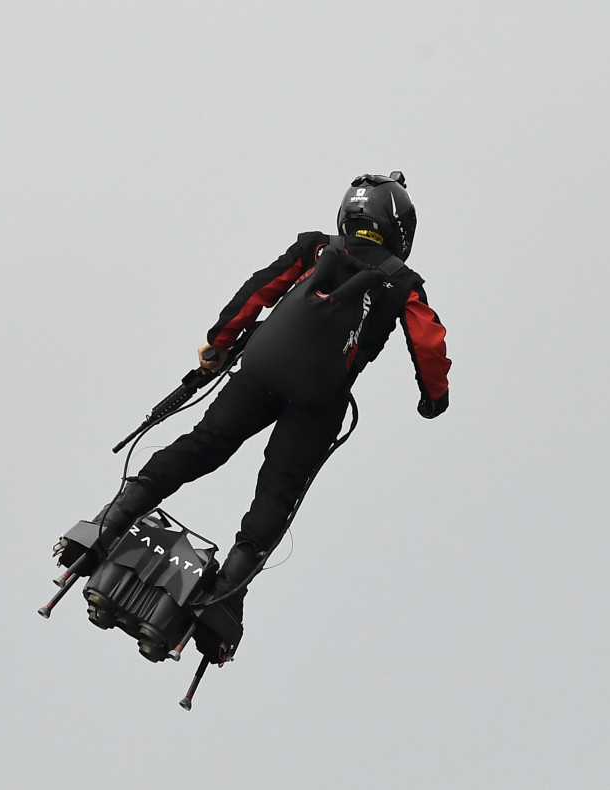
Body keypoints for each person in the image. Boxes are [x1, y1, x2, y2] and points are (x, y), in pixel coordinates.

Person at [90, 172, 450, 659]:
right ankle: (224, 593)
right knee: (276, 492)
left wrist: (218, 345)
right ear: (399, 226)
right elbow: (428, 343)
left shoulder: (315, 248)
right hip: (319, 402)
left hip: (259, 371)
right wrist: (433, 399)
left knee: (204, 444)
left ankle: (114, 517)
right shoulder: (403, 282)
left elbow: (258, 290)